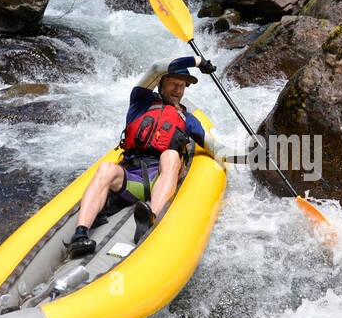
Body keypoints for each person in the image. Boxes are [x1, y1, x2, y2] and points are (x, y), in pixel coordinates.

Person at [68, 55, 227, 257]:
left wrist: (253, 155)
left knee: (170, 155)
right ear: (161, 83)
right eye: (173, 84)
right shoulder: (140, 101)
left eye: (182, 86)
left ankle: (151, 218)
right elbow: (155, 66)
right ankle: (80, 235)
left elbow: (218, 149)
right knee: (106, 168)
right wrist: (197, 61)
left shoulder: (187, 119)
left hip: (161, 179)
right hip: (132, 178)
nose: (178, 90)